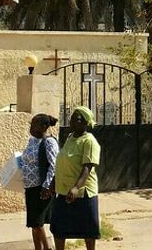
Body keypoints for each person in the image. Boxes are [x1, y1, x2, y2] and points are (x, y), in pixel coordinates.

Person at [49, 106, 101, 250]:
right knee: (59, 228)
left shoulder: (89, 141)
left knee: (88, 231)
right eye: (71, 118)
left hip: (83, 193)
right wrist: (53, 183)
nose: (72, 122)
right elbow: (63, 161)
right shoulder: (70, 137)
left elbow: (87, 167)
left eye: (76, 120)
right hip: (63, 190)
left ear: (85, 123)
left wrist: (76, 187)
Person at [19, 113, 59, 250]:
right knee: (33, 224)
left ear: (43, 127)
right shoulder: (32, 141)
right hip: (30, 187)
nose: (31, 127)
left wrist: (47, 186)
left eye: (34, 124)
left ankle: (47, 248)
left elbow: (54, 165)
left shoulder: (49, 142)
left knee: (38, 223)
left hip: (41, 189)